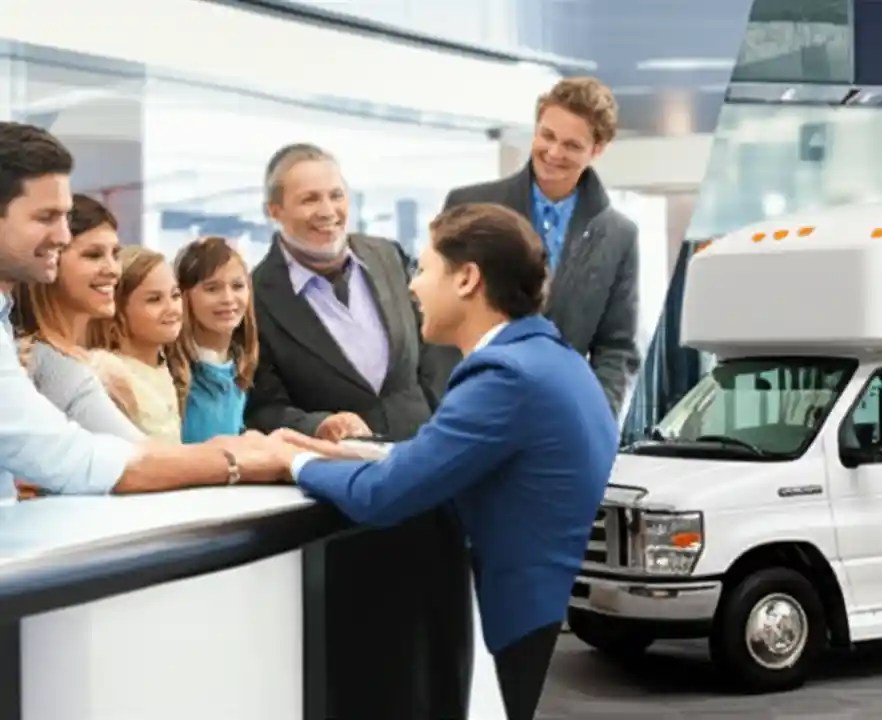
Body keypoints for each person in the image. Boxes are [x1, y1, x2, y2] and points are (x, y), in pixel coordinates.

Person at [279, 203, 620, 720]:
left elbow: (383, 496)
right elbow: (441, 455)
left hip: (533, 626)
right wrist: (348, 452)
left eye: (424, 268)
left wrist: (290, 463)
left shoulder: (503, 374)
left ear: (467, 279)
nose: (412, 286)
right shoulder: (548, 358)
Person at [245, 142, 470, 719]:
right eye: (309, 198)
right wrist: (317, 424)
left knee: (443, 652)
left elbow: (430, 353)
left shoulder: (387, 257)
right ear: (275, 210)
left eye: (336, 194)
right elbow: (263, 407)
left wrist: (448, 428)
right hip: (346, 508)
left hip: (429, 480)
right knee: (368, 670)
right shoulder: (254, 293)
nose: (328, 210)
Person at [0, 120, 325, 497]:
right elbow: (74, 461)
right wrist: (240, 462)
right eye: (45, 217)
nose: (61, 235)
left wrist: (240, 451)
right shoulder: (57, 361)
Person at [434, 76, 641, 417]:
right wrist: (445, 401)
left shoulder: (619, 235)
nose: (554, 153)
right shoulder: (470, 205)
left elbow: (616, 348)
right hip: (471, 405)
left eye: (572, 145)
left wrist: (597, 419)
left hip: (560, 417)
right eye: (547, 136)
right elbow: (439, 310)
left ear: (597, 149)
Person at [10, 193, 144, 441]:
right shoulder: (46, 362)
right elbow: (140, 458)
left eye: (115, 254)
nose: (113, 270)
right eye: (93, 255)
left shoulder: (74, 360)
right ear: (50, 262)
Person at [85, 246, 186, 444]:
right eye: (154, 300)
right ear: (117, 309)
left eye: (175, 295)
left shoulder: (166, 367)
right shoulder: (109, 376)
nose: (172, 308)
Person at [173, 235, 258, 443]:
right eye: (212, 288)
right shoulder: (174, 370)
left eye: (238, 286)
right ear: (184, 296)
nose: (228, 299)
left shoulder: (238, 366)